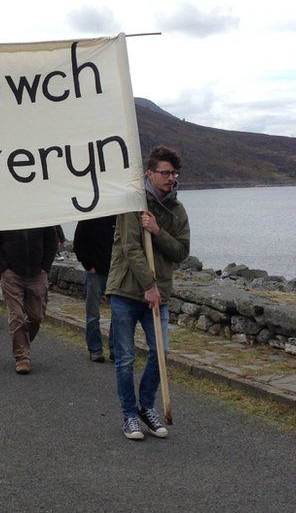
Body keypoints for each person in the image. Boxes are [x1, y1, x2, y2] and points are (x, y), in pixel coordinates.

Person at [106, 145, 190, 441]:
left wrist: (157, 231)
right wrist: (148, 286)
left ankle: (146, 407)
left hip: (160, 293)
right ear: (150, 173)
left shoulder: (177, 210)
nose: (171, 178)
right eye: (166, 173)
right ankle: (129, 415)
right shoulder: (132, 204)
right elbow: (130, 249)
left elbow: (181, 252)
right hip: (126, 291)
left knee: (161, 353)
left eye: (174, 173)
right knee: (126, 357)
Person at [0, 226, 58, 375]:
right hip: (12, 274)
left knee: (37, 316)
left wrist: (45, 267)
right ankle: (22, 356)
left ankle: (23, 343)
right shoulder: (6, 214)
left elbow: (52, 240)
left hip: (37, 273)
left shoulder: (41, 214)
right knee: (17, 315)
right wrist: (3, 268)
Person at [73, 215, 117, 362]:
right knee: (93, 313)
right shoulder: (90, 215)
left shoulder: (119, 215)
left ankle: (116, 350)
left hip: (116, 272)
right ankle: (95, 349)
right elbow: (78, 242)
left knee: (118, 313)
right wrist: (88, 265)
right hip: (95, 272)